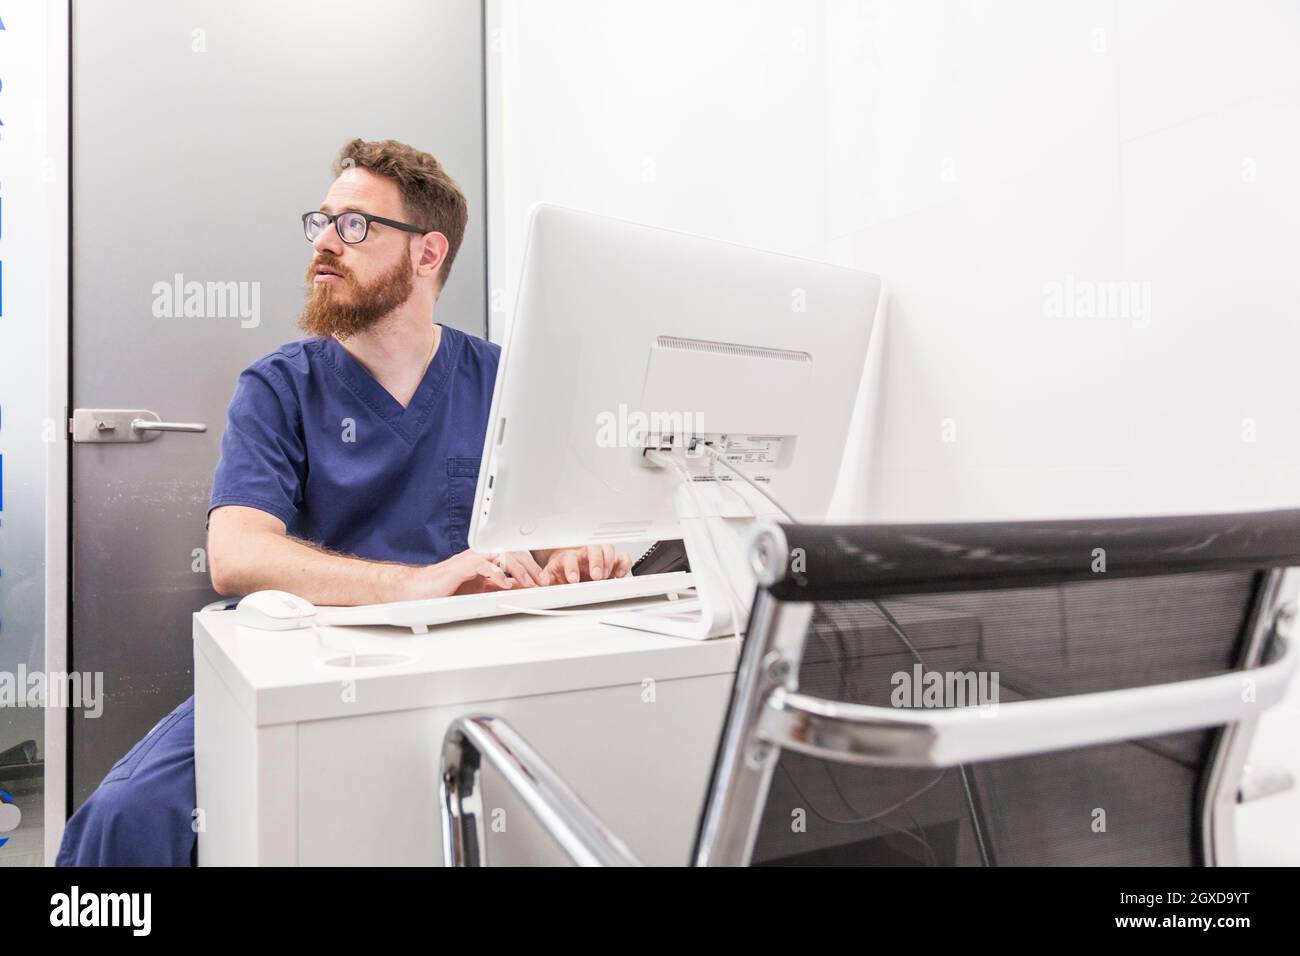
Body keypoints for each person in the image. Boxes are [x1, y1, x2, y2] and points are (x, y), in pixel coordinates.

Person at [57, 138, 630, 866]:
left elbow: (547, 529)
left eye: (354, 225)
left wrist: (577, 551)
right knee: (127, 819)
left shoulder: (502, 380)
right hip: (304, 663)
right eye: (322, 221)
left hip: (471, 659)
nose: (325, 243)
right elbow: (236, 555)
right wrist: (414, 583)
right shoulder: (278, 387)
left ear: (427, 256)